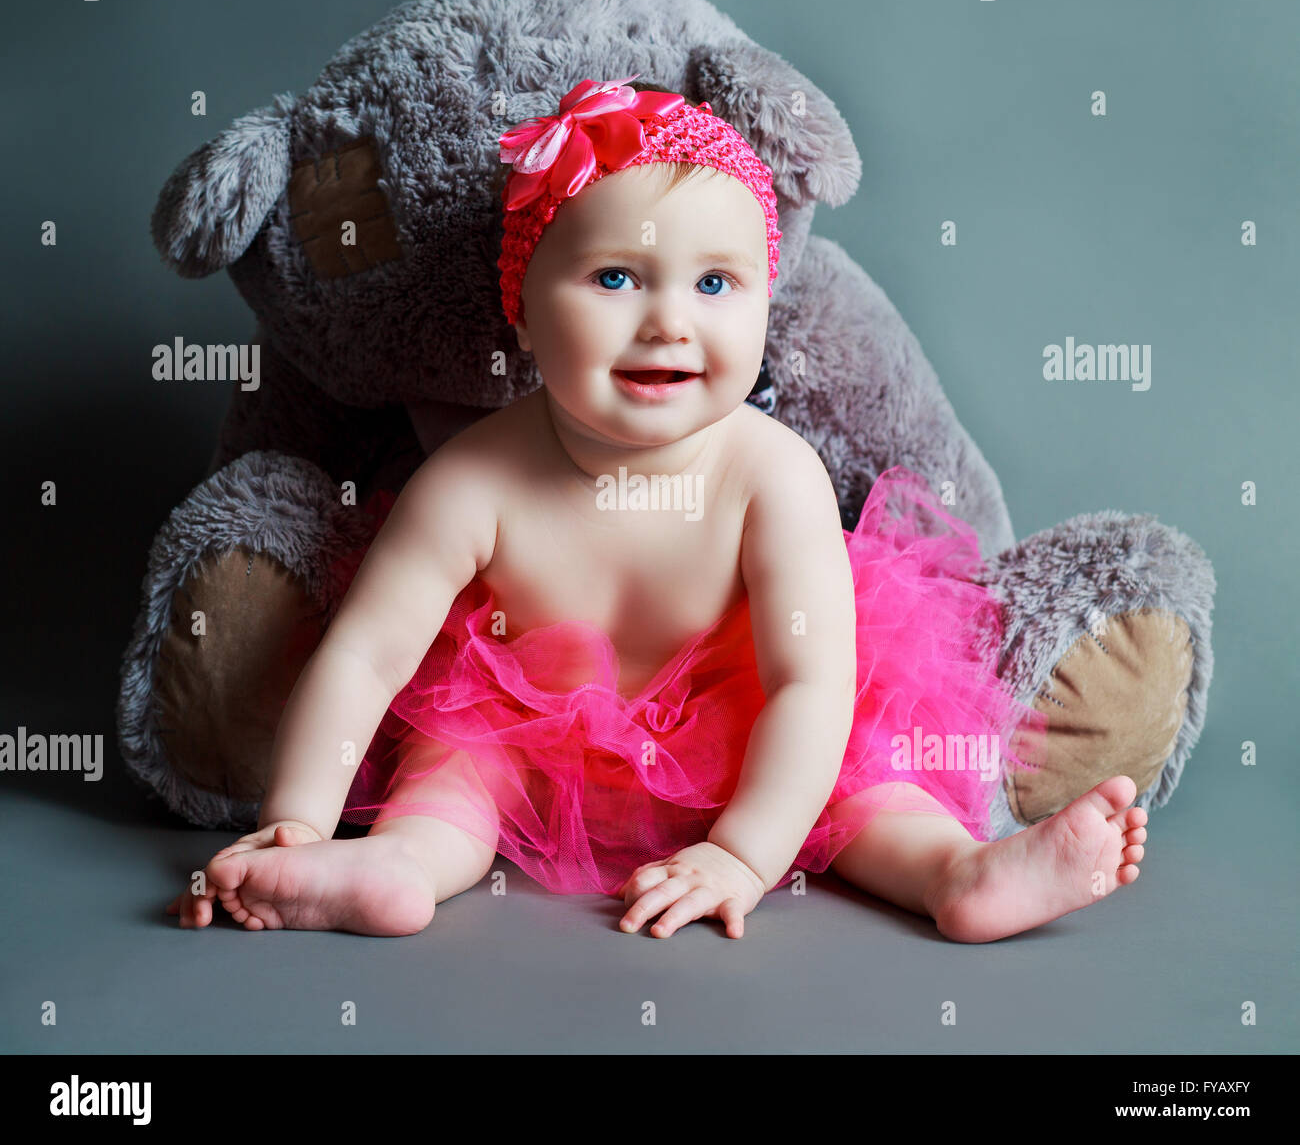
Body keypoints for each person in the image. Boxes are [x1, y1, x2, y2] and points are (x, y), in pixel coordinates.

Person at [168, 76, 1146, 942]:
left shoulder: (773, 476)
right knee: (456, 762)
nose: (669, 319)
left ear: (764, 305)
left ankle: (954, 873)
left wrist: (743, 854)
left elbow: (808, 682)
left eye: (715, 282)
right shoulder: (474, 481)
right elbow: (367, 654)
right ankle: (396, 867)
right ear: (523, 305)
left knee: (863, 777)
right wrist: (295, 813)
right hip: (536, 731)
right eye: (614, 278)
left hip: (752, 724)